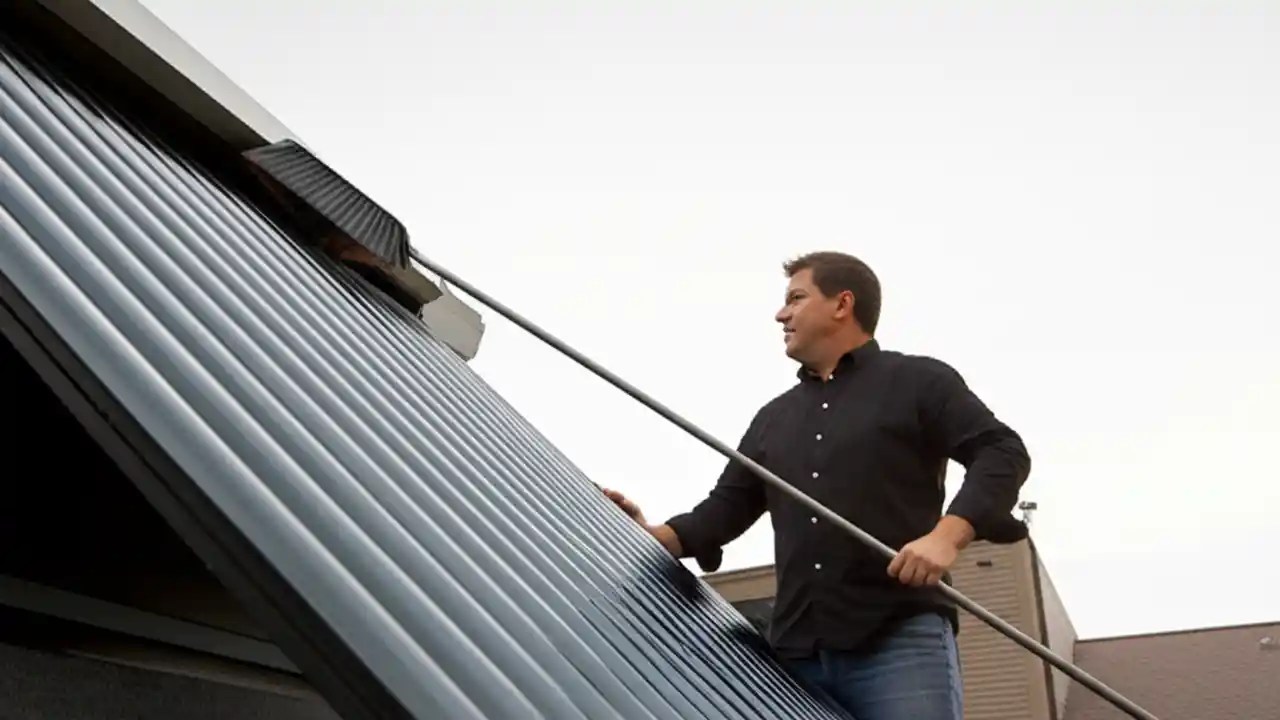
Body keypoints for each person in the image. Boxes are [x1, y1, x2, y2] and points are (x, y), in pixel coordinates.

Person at [603, 251, 1031, 720]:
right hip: (795, 661)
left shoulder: (918, 381)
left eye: (795, 298)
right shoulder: (773, 418)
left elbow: (1002, 451)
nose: (780, 313)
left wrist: (946, 537)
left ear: (842, 304)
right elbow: (724, 510)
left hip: (898, 644)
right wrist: (651, 535)